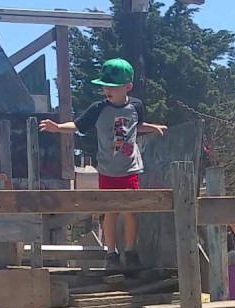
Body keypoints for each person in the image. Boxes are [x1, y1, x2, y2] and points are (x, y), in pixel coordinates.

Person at [40, 58, 166, 270]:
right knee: (110, 211)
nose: (107, 90)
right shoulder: (98, 108)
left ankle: (131, 251)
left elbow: (136, 126)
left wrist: (153, 127)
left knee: (131, 211)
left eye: (113, 86)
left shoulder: (136, 106)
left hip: (130, 169)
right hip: (108, 170)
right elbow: (78, 125)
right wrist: (58, 127)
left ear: (128, 87)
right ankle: (111, 254)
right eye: (105, 86)